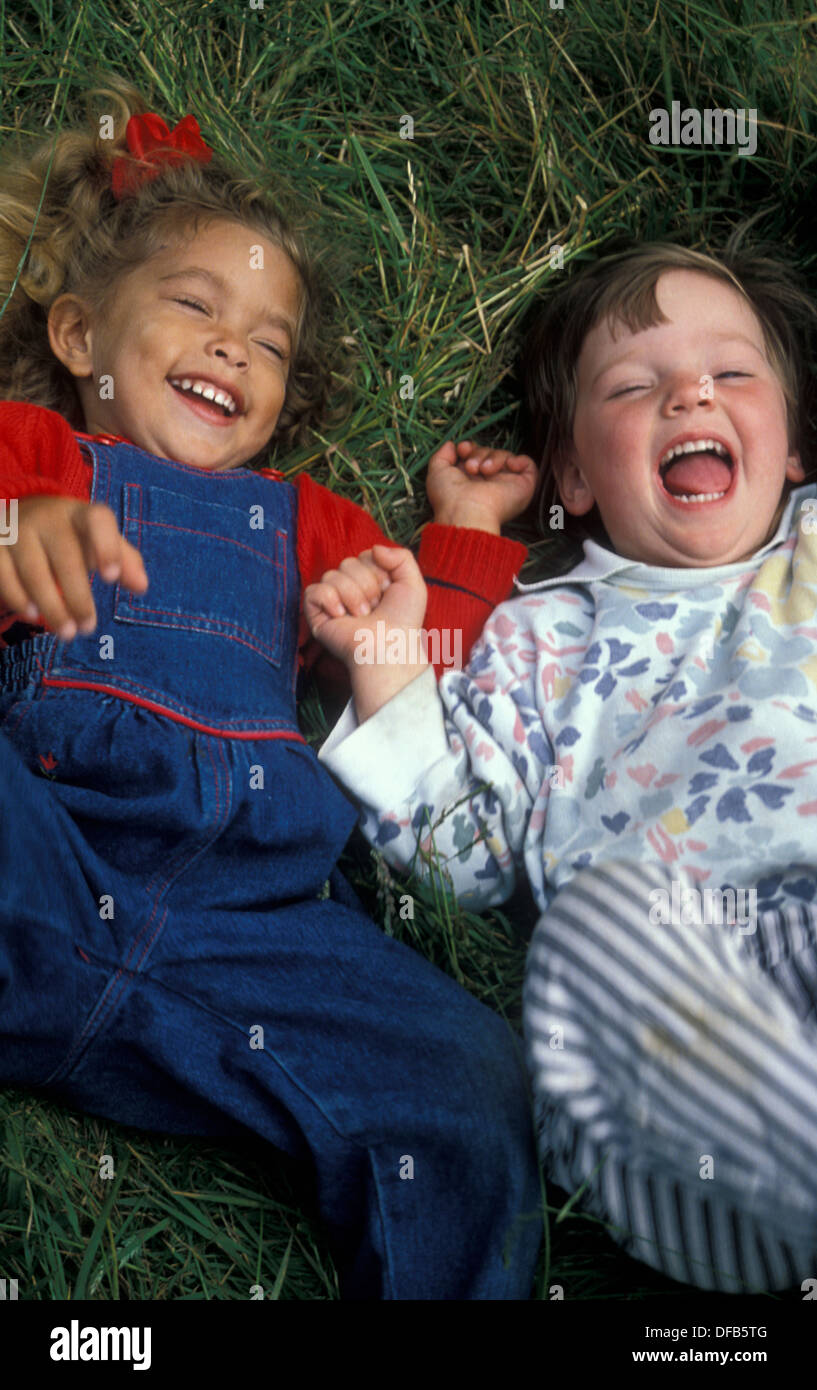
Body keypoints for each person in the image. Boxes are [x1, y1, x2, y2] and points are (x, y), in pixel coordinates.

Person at [0, 74, 544, 1299]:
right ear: (79, 335)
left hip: (260, 940)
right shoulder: (35, 453)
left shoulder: (302, 522)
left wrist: (457, 533)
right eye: (194, 304)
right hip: (49, 862)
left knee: (469, 1080)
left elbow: (424, 664)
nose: (230, 347)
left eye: (267, 344)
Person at [308, 238, 817, 1293]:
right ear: (575, 474)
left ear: (794, 444)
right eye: (634, 385)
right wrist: (392, 665)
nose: (689, 394)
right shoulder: (542, 638)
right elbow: (462, 853)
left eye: (731, 374)